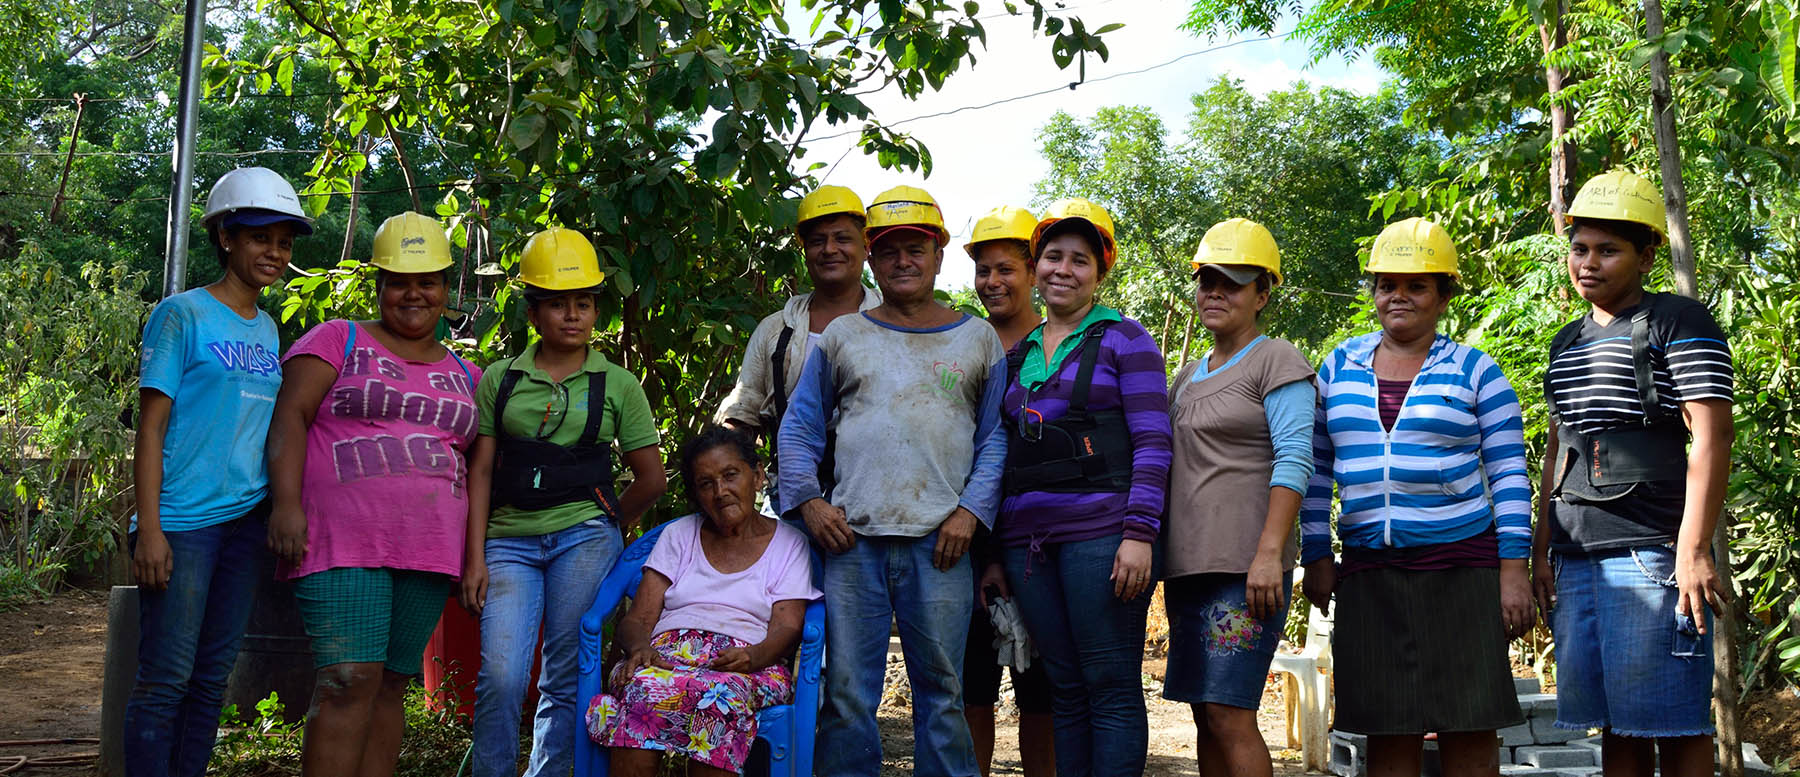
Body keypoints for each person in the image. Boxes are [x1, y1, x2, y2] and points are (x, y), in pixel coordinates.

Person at [778, 184, 1008, 777]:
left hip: (942, 544)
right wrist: (808, 501)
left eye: (917, 249)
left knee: (944, 695)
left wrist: (970, 512)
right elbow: (800, 430)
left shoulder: (976, 338)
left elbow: (995, 439)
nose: (903, 261)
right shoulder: (843, 337)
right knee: (849, 698)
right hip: (851, 543)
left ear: (938, 254)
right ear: (872, 261)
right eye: (889, 251)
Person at [1299, 217, 1532, 777]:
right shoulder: (1339, 366)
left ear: (1444, 295)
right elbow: (1316, 468)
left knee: (1469, 723)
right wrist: (1317, 556)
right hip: (1369, 572)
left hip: (1462, 569)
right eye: (1386, 284)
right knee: (1387, 727)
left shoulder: (1478, 371)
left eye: (1417, 285)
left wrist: (1513, 570)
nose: (1397, 296)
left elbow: (1508, 475)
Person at [265, 211, 482, 777]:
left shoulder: (469, 374)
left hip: (430, 549)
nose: (414, 294)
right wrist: (285, 504)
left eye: (427, 281)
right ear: (380, 286)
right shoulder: (338, 339)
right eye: (399, 281)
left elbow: (483, 466)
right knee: (347, 679)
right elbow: (290, 416)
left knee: (391, 683)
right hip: (341, 540)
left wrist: (475, 556)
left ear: (444, 288)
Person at [1532, 170, 1734, 777]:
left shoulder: (1677, 320)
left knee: (1675, 722)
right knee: (1616, 724)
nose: (1588, 263)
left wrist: (1693, 549)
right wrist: (1544, 546)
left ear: (1647, 256)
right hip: (1578, 552)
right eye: (1579, 248)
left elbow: (1714, 434)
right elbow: (1559, 445)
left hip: (1651, 553)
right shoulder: (1566, 341)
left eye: (1608, 250)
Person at [125, 166, 312, 777]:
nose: (274, 253)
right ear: (226, 236)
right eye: (260, 237)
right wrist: (149, 528)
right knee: (165, 678)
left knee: (211, 681)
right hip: (183, 524)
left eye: (284, 242)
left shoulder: (267, 326)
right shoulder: (182, 315)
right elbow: (149, 429)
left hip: (243, 526)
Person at [462, 227, 669, 777]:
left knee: (566, 671)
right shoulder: (500, 380)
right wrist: (475, 556)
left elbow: (652, 479)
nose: (572, 315)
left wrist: (605, 524)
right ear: (534, 314)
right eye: (557, 304)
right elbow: (480, 469)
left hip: (584, 537)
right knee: (501, 674)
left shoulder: (619, 384)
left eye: (583, 303)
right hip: (507, 540)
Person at [988, 198, 1171, 777]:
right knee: (1063, 685)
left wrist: (1139, 535)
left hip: (1102, 535)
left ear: (1101, 272)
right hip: (1028, 546)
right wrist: (994, 553)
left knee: (1110, 683)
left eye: (1080, 260)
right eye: (1052, 257)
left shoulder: (1125, 339)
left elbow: (1154, 442)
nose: (1063, 270)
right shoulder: (1017, 356)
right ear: (1036, 264)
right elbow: (1001, 454)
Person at [1163, 219, 1316, 777]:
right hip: (1188, 569)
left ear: (1262, 293)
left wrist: (1269, 554)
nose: (1216, 292)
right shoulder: (1183, 378)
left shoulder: (1276, 359)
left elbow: (1295, 458)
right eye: (1207, 281)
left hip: (1245, 568)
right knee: (1204, 713)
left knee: (1231, 712)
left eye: (1233, 282)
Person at [587, 426, 821, 776]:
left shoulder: (789, 544)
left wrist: (752, 656)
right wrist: (640, 648)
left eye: (730, 476)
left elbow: (787, 626)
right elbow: (639, 619)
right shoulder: (679, 535)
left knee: (719, 701)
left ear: (756, 476)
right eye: (706, 483)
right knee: (640, 688)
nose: (720, 492)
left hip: (746, 663)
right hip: (665, 659)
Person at [714, 185, 879, 511]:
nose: (830, 249)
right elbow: (744, 411)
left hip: (878, 493)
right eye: (818, 241)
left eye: (842, 238)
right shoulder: (776, 329)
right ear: (804, 251)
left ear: (865, 245)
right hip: (789, 494)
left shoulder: (892, 320)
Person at [963, 205, 1055, 777]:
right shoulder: (964, 342)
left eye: (1006, 270)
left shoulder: (1056, 344)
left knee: (1039, 689)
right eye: (983, 270)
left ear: (1033, 272)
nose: (993, 283)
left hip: (1038, 535)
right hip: (964, 533)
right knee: (971, 683)